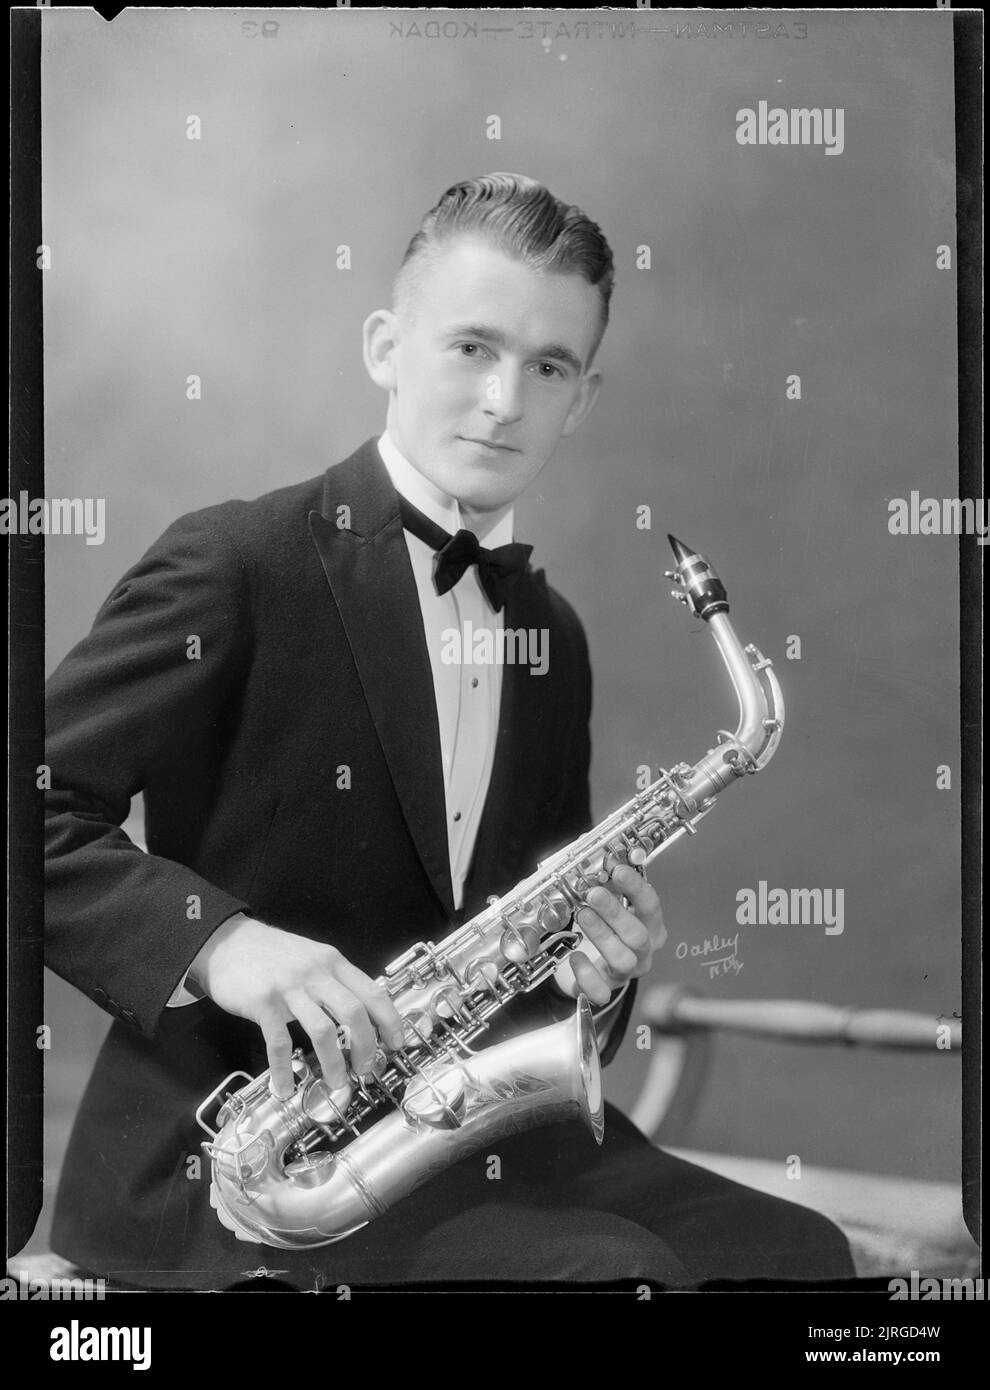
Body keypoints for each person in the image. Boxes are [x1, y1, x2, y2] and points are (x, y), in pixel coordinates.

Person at [44, 172, 854, 1290]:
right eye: (472, 347)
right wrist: (219, 943)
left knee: (803, 1255)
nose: (505, 399)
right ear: (385, 344)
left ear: (585, 398)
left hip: (458, 1145)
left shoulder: (550, 633)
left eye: (548, 366)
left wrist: (593, 974)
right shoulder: (234, 563)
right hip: (243, 1169)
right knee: (610, 1275)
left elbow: (521, 946)